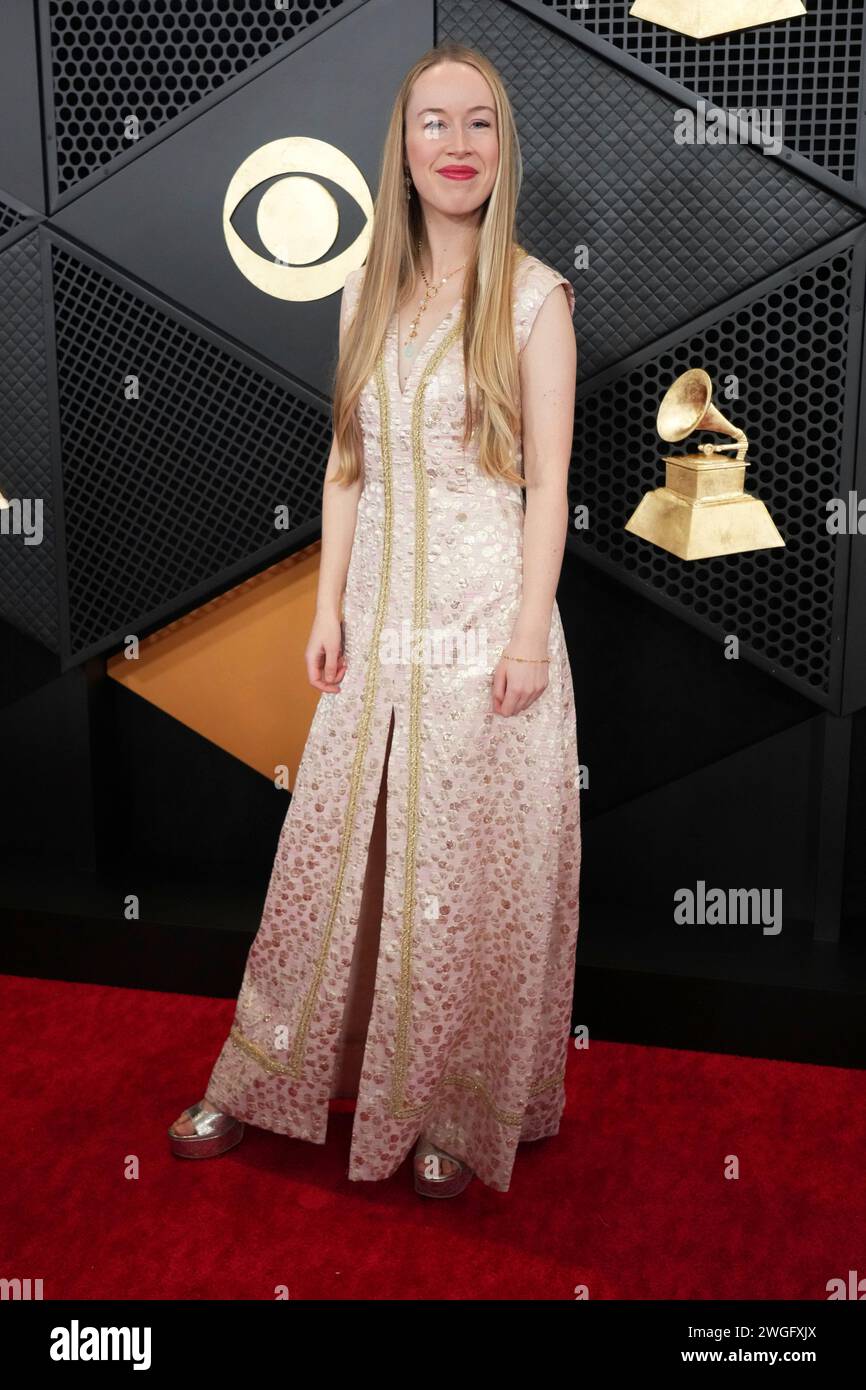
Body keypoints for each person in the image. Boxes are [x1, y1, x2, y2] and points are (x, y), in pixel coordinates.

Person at [168, 39, 581, 1198]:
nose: (456, 147)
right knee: (331, 863)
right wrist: (326, 606)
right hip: (378, 631)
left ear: (504, 150)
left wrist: (519, 639)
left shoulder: (537, 297)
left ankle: (453, 1108)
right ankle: (265, 1077)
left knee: (461, 875)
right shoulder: (365, 288)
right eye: (433, 124)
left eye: (479, 124)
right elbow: (344, 464)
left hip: (484, 626)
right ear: (399, 153)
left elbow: (545, 487)